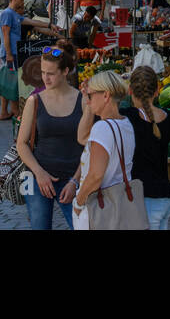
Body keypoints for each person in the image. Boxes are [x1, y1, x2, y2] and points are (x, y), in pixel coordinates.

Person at [16, 46, 85, 229]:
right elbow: (21, 144)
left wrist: (75, 180)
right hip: (37, 177)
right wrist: (39, 173)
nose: (45, 78)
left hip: (72, 177)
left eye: (51, 74)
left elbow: (90, 147)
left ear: (65, 71)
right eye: (43, 72)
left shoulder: (83, 100)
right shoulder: (35, 100)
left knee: (81, 225)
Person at [122, 66, 170, 229]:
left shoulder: (125, 117)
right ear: (157, 91)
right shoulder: (166, 116)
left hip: (138, 195)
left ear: (129, 90)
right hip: (164, 194)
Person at [71, 71, 137, 230]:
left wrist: (78, 202)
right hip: (120, 204)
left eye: (91, 95)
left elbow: (95, 175)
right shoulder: (125, 124)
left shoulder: (102, 128)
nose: (88, 98)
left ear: (106, 95)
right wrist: (89, 105)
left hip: (99, 207)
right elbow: (82, 137)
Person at [0, 0, 57, 120]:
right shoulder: (7, 14)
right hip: (11, 53)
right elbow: (5, 34)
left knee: (10, 81)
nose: (22, 2)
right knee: (11, 82)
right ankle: (14, 111)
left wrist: (49, 25)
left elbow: (31, 22)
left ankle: (6, 111)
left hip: (14, 52)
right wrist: (8, 54)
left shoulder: (14, 14)